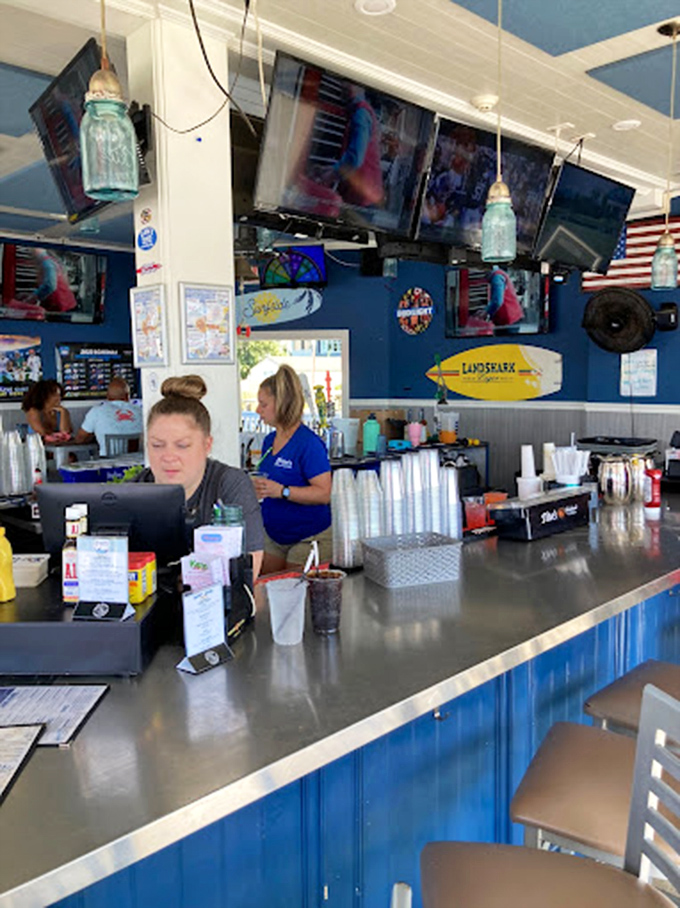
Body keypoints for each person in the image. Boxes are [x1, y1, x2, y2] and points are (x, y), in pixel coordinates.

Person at [133, 375, 264, 579]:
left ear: (207, 445)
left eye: (182, 445)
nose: (168, 457)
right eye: (157, 445)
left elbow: (248, 571)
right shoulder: (135, 492)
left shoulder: (229, 484)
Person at [253, 365, 332, 574]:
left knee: (294, 595)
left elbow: (323, 494)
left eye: (263, 404)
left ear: (282, 405)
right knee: (264, 589)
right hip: (275, 534)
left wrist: (282, 491)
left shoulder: (308, 444)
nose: (257, 410)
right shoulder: (270, 440)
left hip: (308, 537)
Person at [75, 377, 144, 456]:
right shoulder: (141, 411)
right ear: (128, 396)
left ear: (107, 396)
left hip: (108, 463)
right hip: (137, 464)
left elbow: (80, 439)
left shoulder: (97, 411)